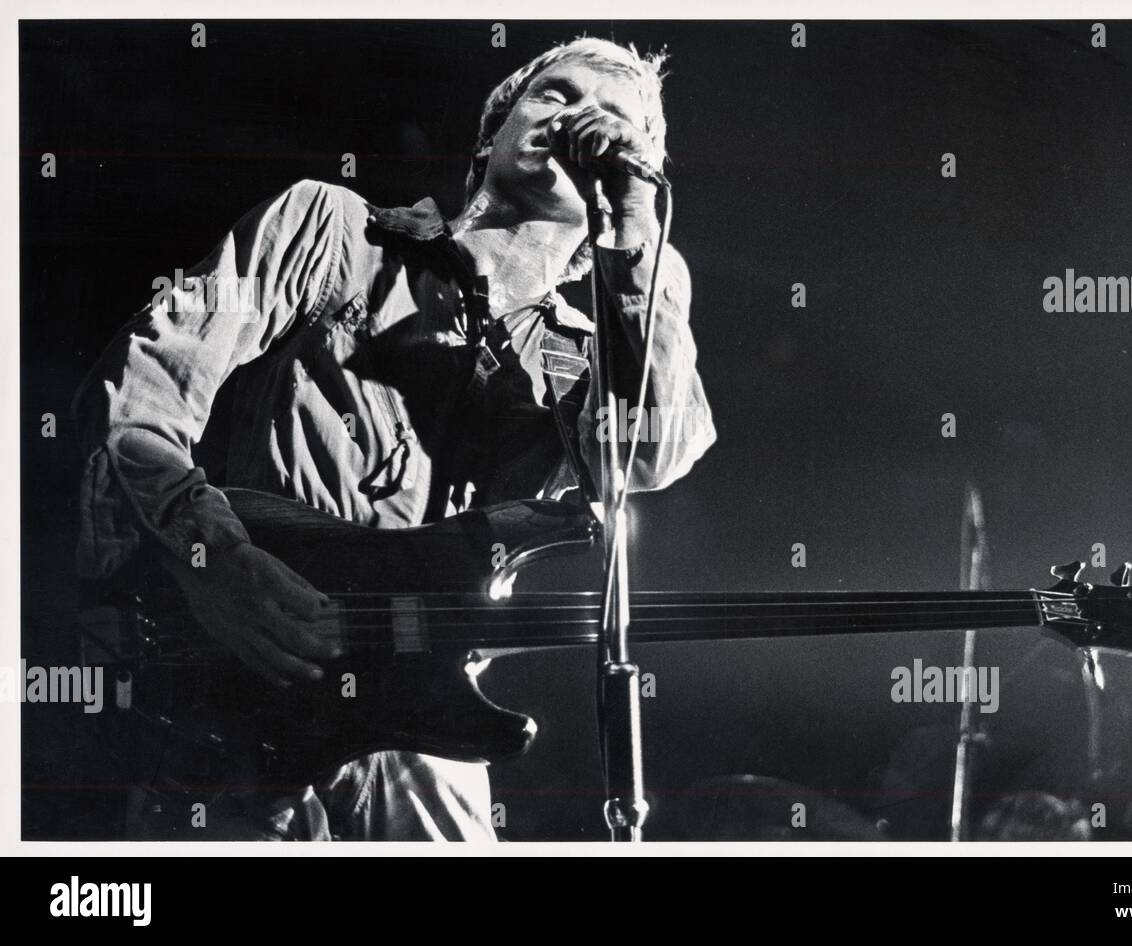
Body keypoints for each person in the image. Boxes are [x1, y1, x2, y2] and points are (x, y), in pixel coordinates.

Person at [73, 37, 715, 841]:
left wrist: (636, 242)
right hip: (238, 695)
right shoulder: (333, 229)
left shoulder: (597, 347)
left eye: (615, 119)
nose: (580, 115)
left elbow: (644, 459)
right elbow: (146, 381)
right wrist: (212, 559)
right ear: (492, 134)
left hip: (430, 730)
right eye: (554, 94)